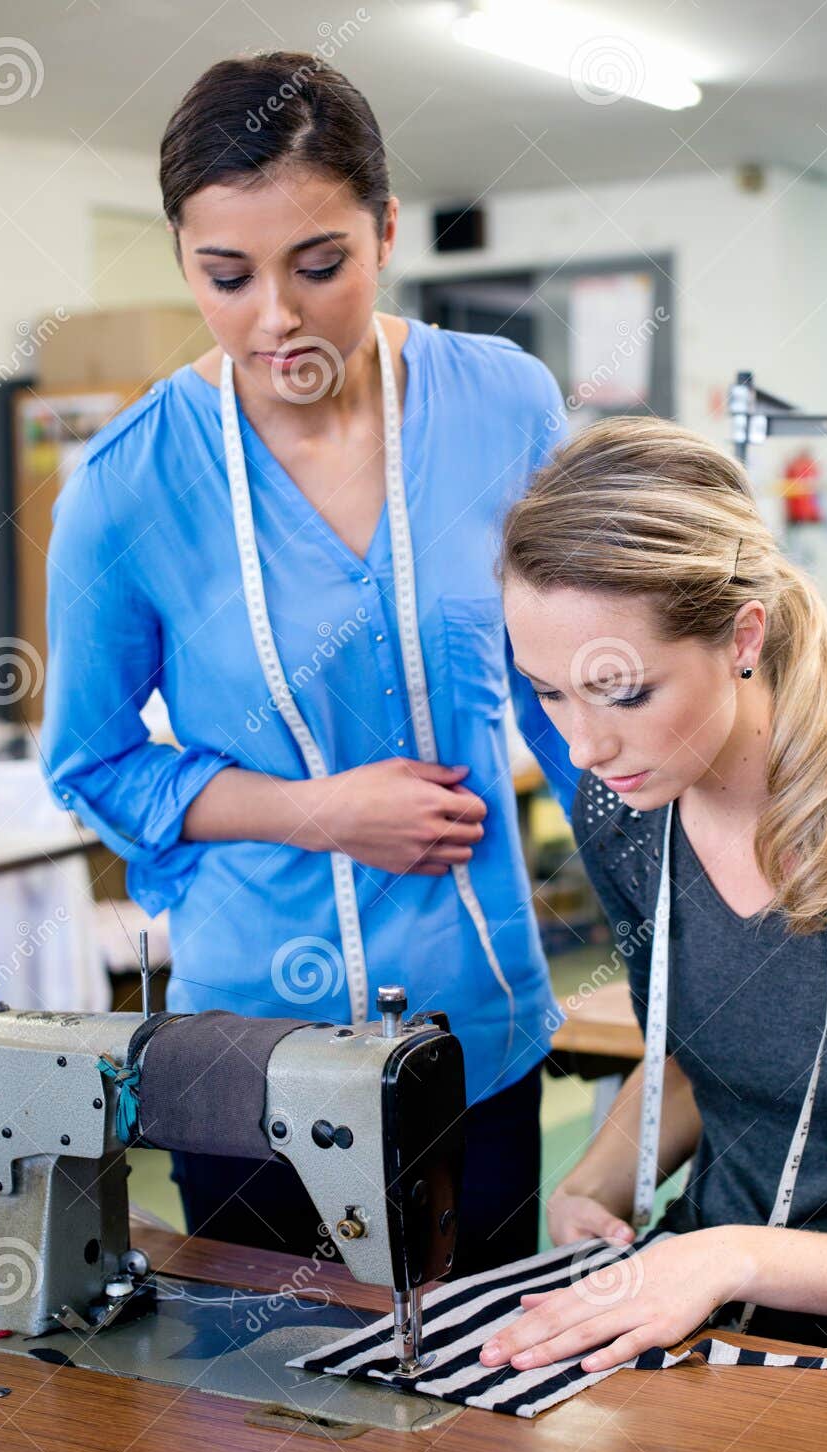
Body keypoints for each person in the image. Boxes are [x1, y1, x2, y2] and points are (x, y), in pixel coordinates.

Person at [42, 52, 577, 1273]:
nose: (275, 317)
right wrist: (318, 812)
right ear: (183, 256)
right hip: (250, 1054)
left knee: (486, 1366)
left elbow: (567, 702)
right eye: (227, 276)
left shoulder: (505, 406)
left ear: (385, 231)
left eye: (319, 264)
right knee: (272, 1383)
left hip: (477, 1022)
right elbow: (93, 765)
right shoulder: (127, 486)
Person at [482, 415, 827, 1375]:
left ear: (742, 636)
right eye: (548, 693)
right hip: (710, 1314)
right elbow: (699, 1053)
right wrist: (595, 1181)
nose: (583, 747)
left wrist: (731, 1257)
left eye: (623, 692)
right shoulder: (624, 811)